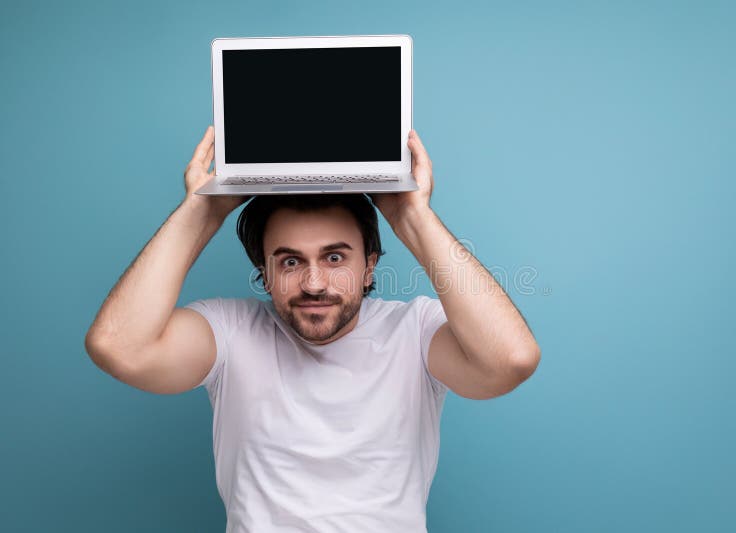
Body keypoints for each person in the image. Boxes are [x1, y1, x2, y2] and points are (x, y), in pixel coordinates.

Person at [84, 125, 541, 532]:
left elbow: (510, 361)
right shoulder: (229, 333)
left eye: (335, 257)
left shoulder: (415, 331)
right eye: (289, 261)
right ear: (264, 272)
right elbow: (120, 347)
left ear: (369, 267)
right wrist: (203, 211)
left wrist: (410, 217)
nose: (314, 282)